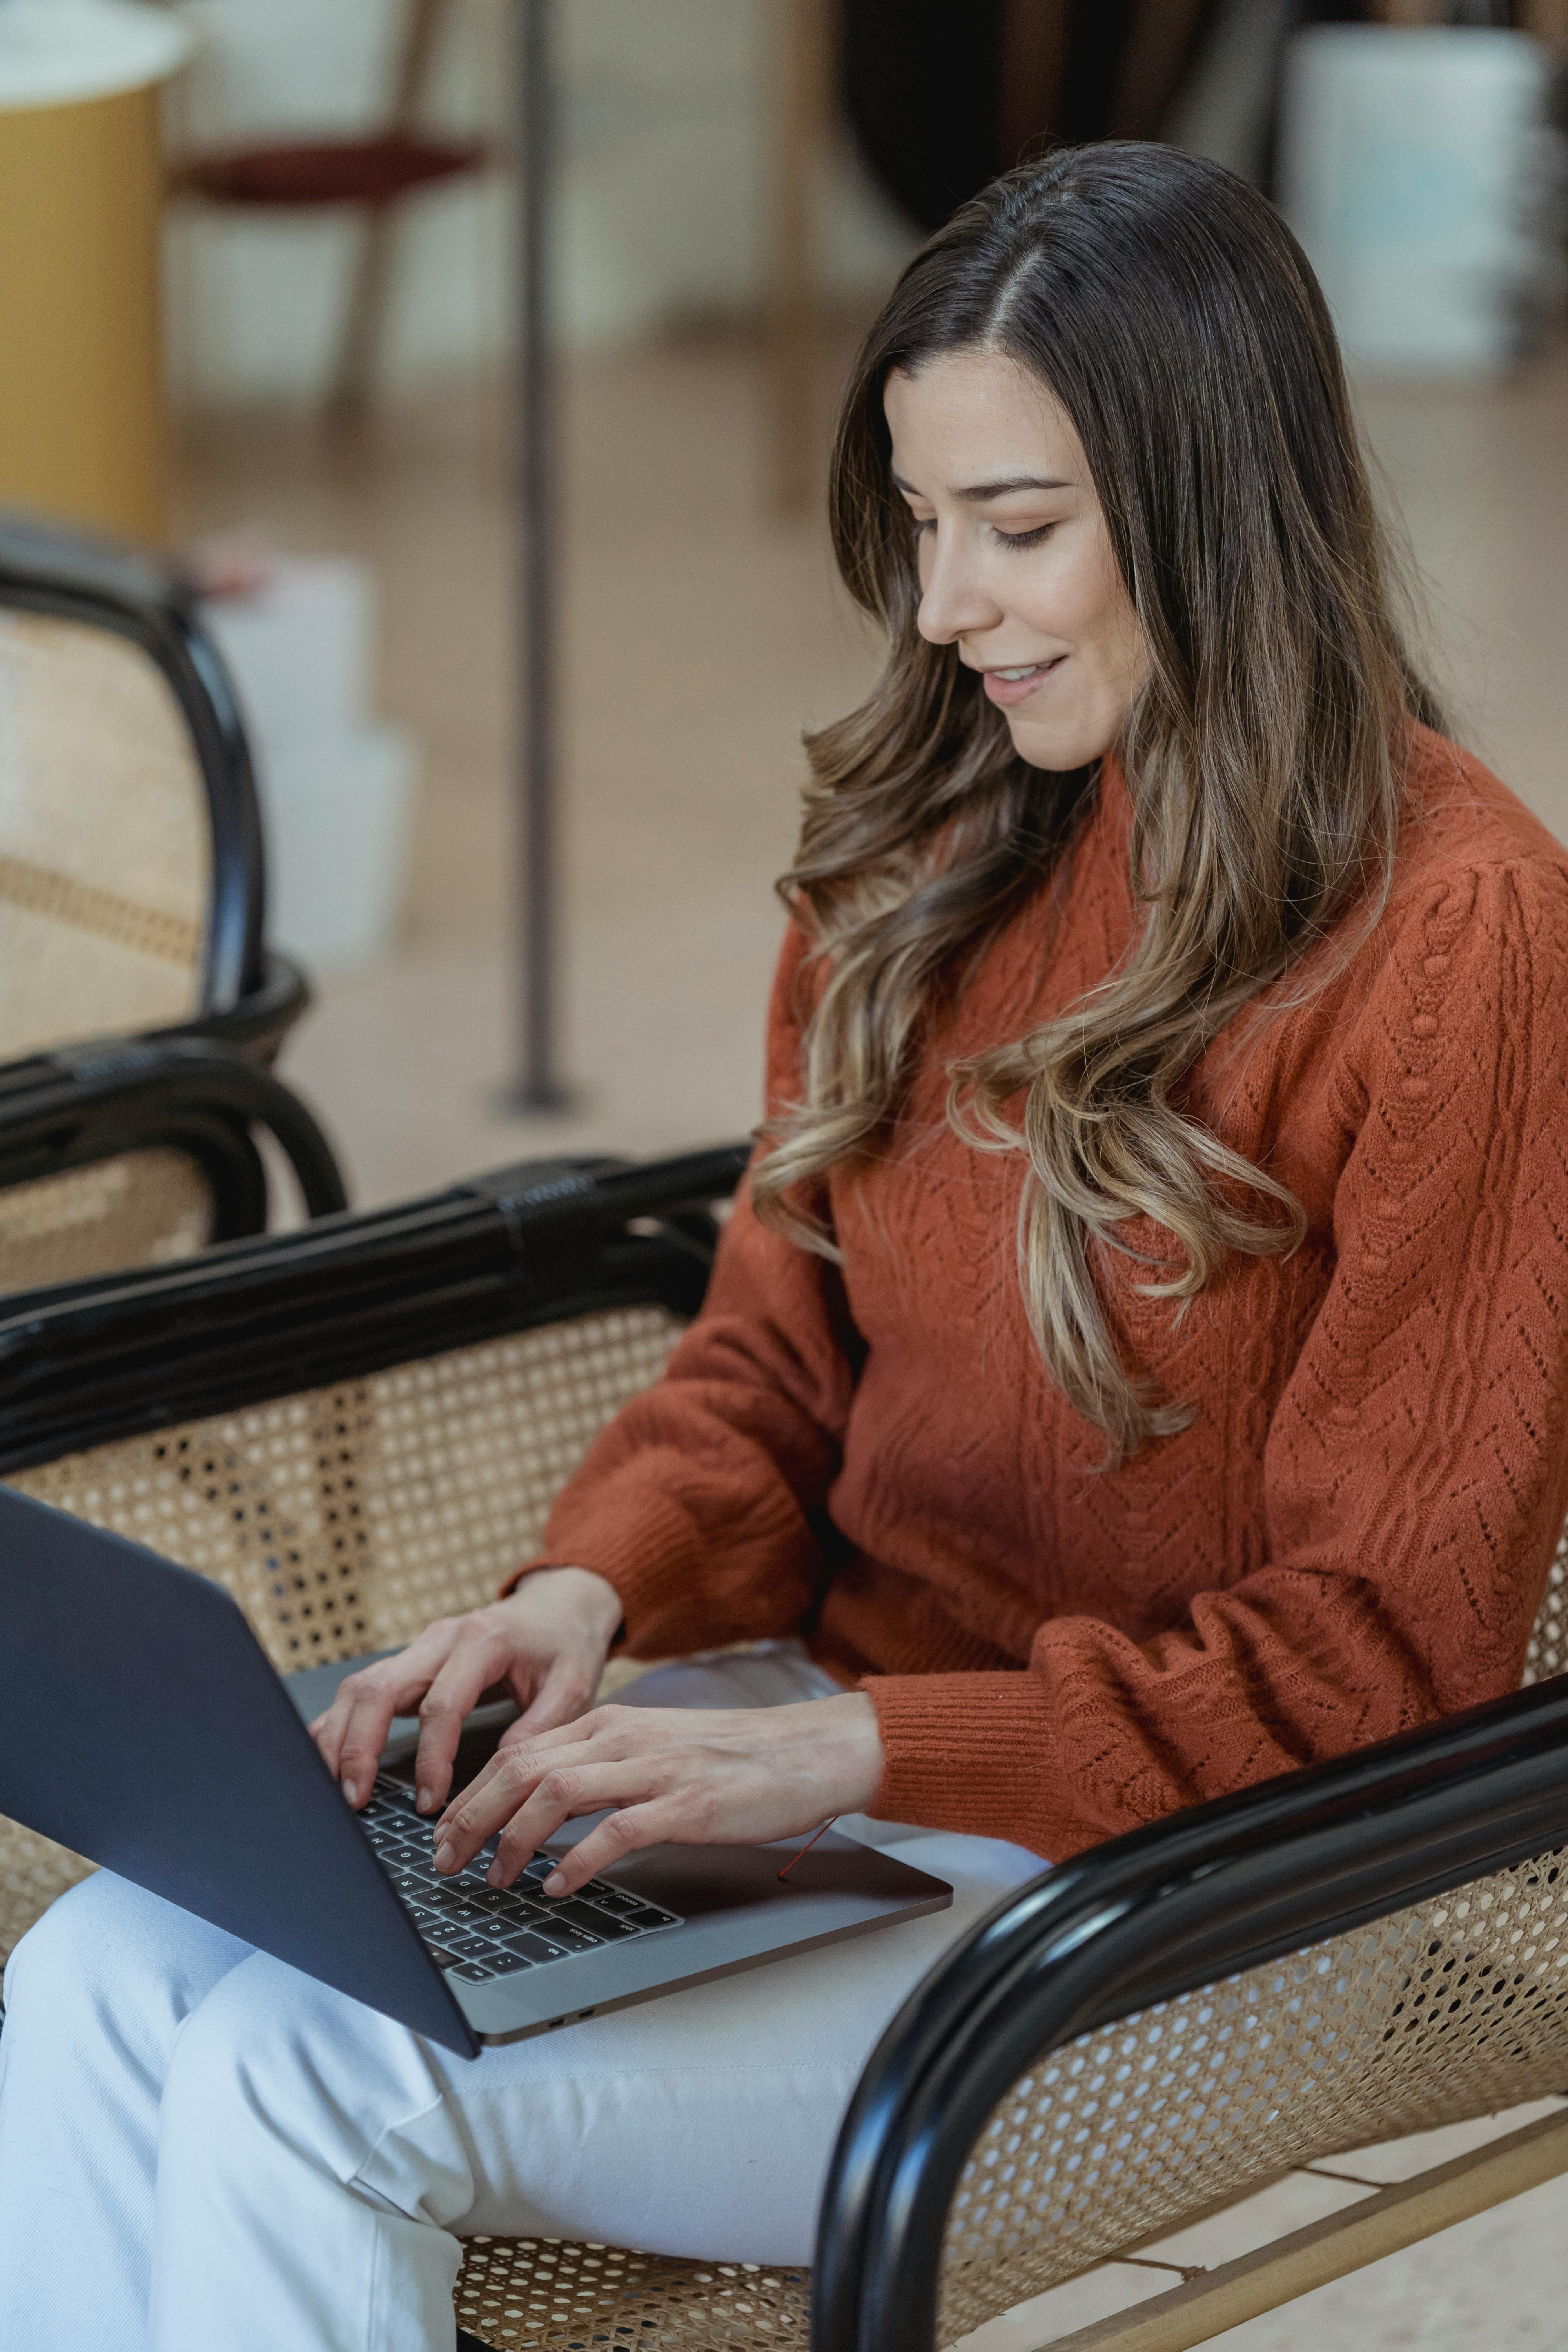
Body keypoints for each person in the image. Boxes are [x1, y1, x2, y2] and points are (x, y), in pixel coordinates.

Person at [6, 142, 1568, 2352]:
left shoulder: (1464, 933)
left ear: (1221, 515)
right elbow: (767, 1373)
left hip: (1192, 1908)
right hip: (839, 1793)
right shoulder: (933, 848)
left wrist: (858, 1757)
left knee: (296, 2075)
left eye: (1018, 532)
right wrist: (592, 1591)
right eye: (926, 529)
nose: (947, 606)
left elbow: (1387, 1667)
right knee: (85, 1975)